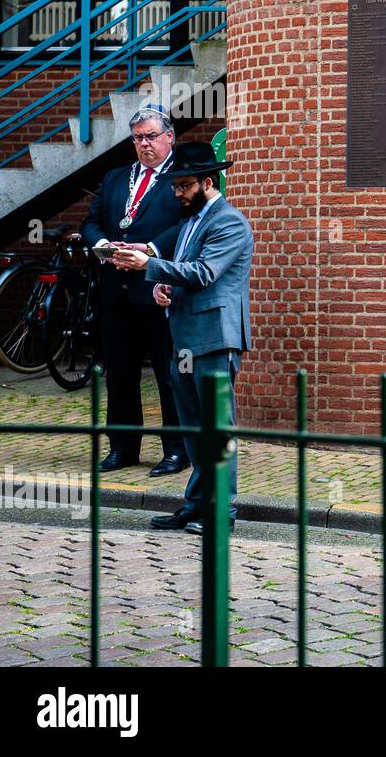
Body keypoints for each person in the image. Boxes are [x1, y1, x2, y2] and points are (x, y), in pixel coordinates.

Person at [110, 141, 252, 535]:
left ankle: (221, 513)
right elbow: (185, 272)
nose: (176, 193)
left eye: (184, 186)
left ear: (208, 182)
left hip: (215, 339)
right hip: (186, 335)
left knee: (216, 429)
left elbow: (205, 272)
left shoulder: (229, 221)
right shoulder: (193, 219)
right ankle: (195, 505)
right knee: (192, 426)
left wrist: (149, 266)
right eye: (174, 185)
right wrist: (163, 288)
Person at [80, 105, 188, 475]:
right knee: (120, 374)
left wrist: (151, 250)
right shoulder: (115, 177)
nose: (144, 144)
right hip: (117, 290)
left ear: (169, 137)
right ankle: (123, 447)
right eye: (138, 138)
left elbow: (190, 224)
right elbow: (91, 220)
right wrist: (104, 245)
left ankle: (176, 449)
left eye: (151, 137)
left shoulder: (185, 175)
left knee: (168, 374)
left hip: (158, 289)